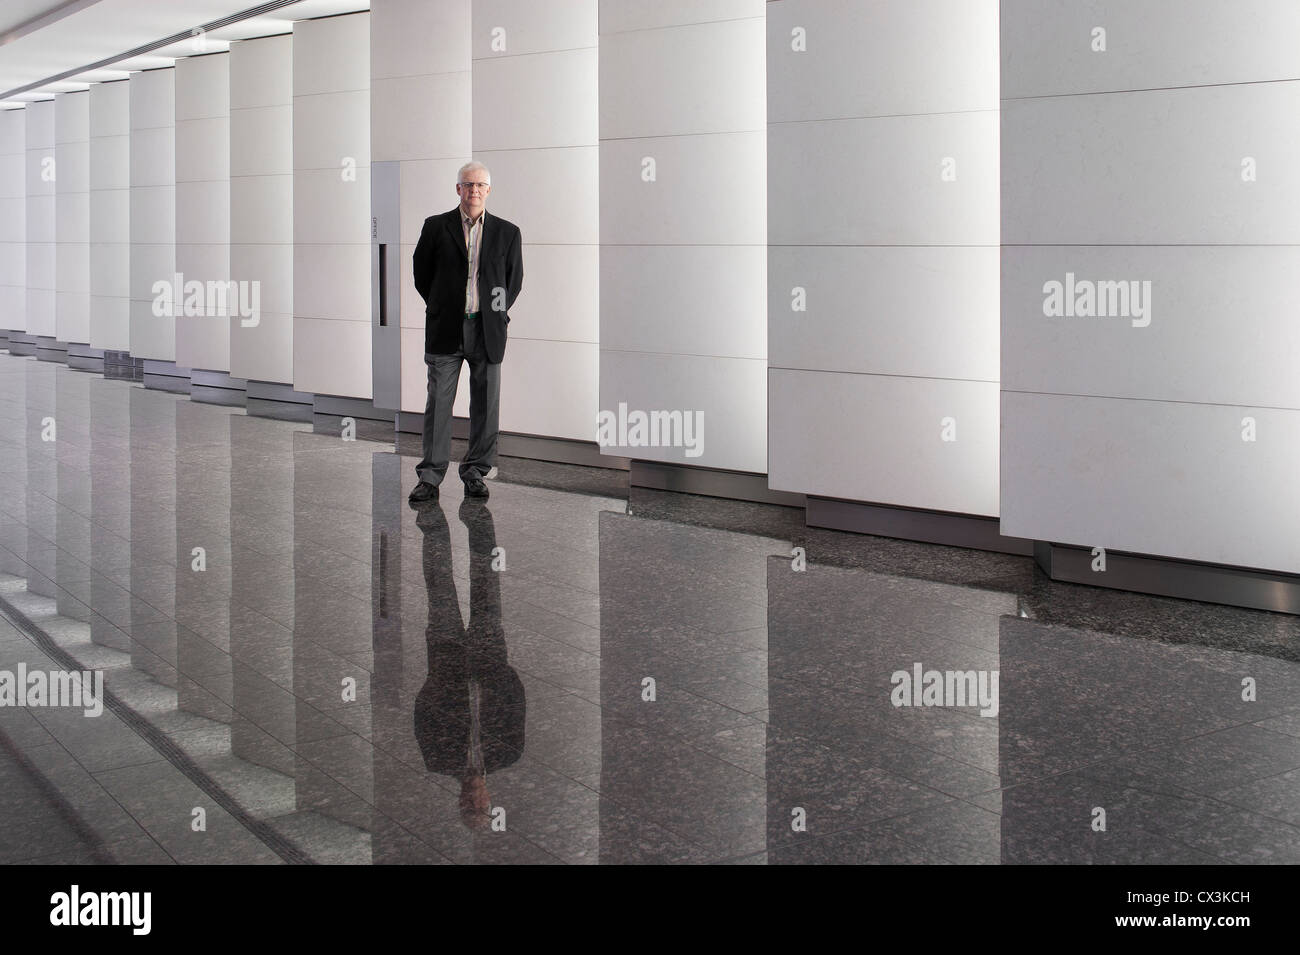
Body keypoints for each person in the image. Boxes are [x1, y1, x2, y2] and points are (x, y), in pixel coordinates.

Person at [409, 161, 523, 502]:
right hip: (446, 328)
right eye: (467, 184)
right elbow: (421, 274)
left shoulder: (507, 233)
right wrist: (442, 305)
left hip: (487, 330)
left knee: (486, 406)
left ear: (488, 190)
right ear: (458, 189)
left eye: (480, 186)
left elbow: (511, 282)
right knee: (439, 403)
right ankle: (429, 477)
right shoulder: (435, 227)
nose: (474, 191)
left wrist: (494, 313)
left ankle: (476, 472)